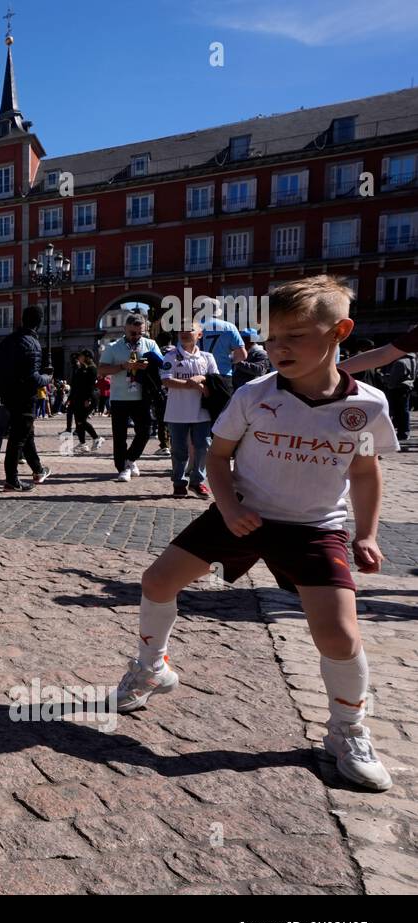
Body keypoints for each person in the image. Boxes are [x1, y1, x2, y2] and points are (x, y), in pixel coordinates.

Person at [112, 275, 397, 793]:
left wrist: (368, 532)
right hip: (241, 512)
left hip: (315, 529)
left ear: (340, 331)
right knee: (156, 582)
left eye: (296, 335)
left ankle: (348, 731)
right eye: (271, 337)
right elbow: (218, 458)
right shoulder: (253, 394)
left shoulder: (368, 405)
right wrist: (227, 503)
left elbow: (365, 471)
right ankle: (152, 667)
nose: (279, 347)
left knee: (338, 634)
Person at [98, 312, 164, 482]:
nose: (136, 337)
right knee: (119, 436)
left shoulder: (150, 344)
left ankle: (130, 459)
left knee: (145, 431)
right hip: (119, 396)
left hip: (142, 395)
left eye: (140, 333)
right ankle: (123, 468)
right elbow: (101, 370)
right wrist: (122, 366)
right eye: (133, 333)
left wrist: (148, 366)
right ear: (125, 329)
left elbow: (163, 367)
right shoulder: (113, 347)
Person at [0, 306, 50, 491]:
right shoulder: (32, 344)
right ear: (39, 322)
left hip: (7, 394)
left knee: (26, 433)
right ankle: (11, 479)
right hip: (24, 396)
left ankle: (38, 469)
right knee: (18, 437)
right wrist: (47, 378)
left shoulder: (7, 341)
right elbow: (33, 377)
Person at [160, 323, 218, 498]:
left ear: (199, 335)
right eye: (181, 330)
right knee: (179, 450)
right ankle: (179, 482)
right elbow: (166, 380)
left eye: (189, 330)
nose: (184, 333)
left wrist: (201, 379)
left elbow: (214, 380)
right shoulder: (170, 356)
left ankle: (197, 481)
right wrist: (192, 384)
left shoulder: (207, 357)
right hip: (177, 412)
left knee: (203, 447)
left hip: (202, 412)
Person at [69, 350, 103, 454]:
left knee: (81, 421)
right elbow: (76, 384)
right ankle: (83, 444)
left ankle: (97, 438)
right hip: (79, 397)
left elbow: (90, 385)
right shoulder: (82, 368)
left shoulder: (92, 368)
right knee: (78, 422)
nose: (79, 357)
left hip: (87, 398)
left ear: (87, 357)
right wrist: (71, 398)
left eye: (81, 356)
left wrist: (87, 399)